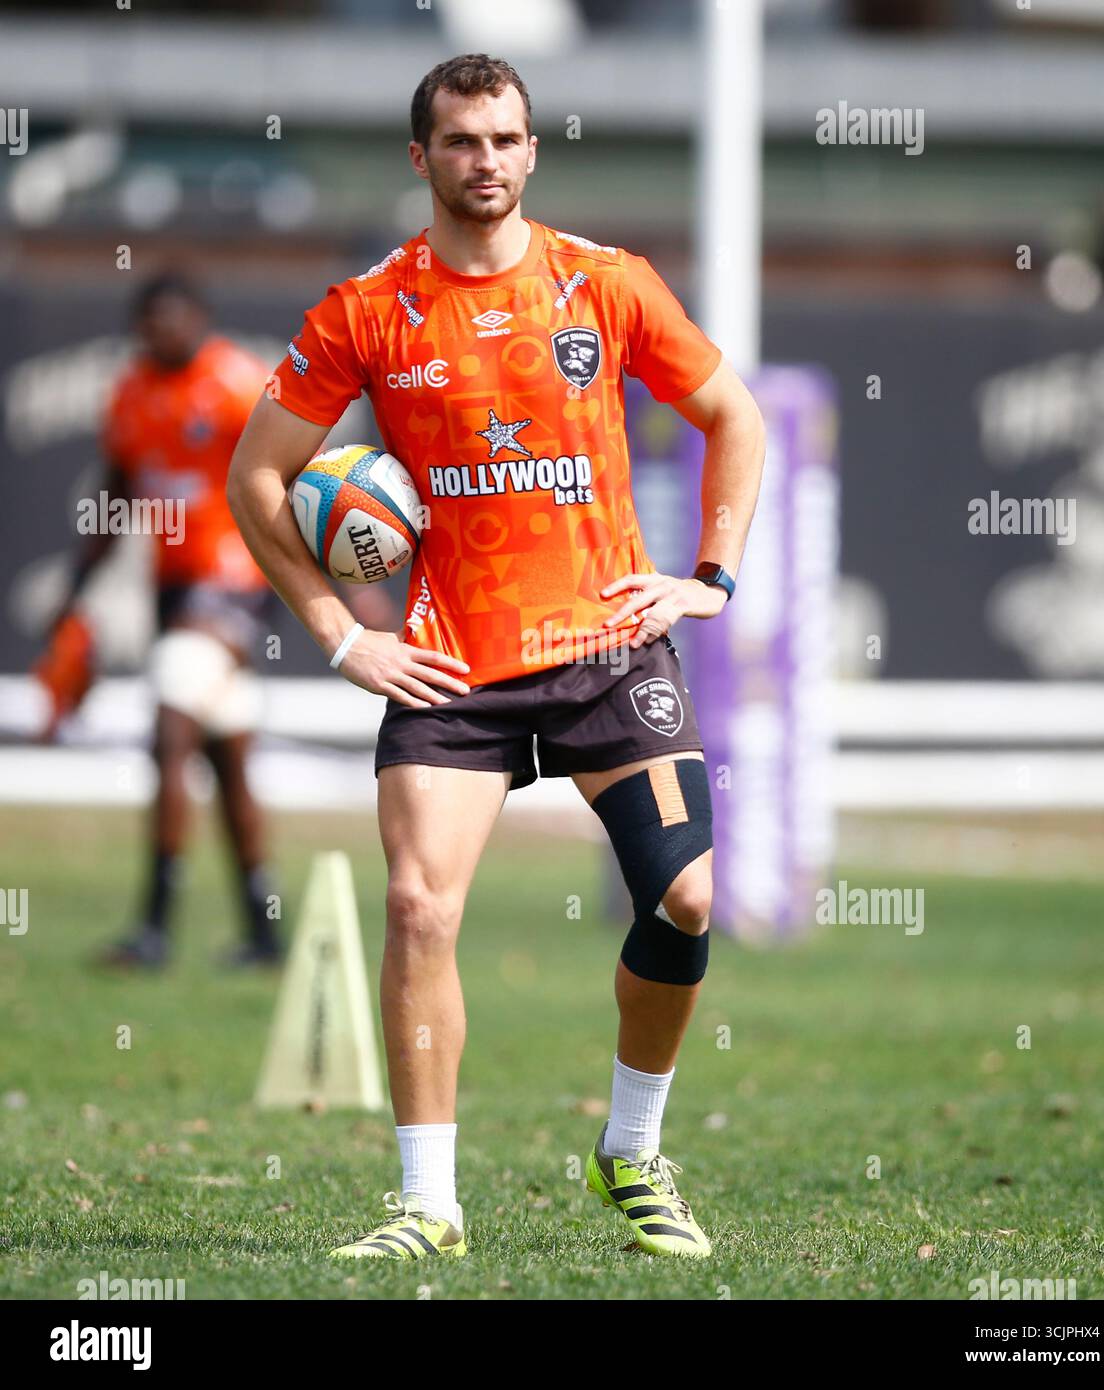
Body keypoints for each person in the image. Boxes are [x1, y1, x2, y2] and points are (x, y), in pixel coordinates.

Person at [228, 53, 765, 1258]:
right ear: (420, 158)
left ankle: (629, 1151)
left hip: (606, 645)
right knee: (420, 906)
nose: (488, 161)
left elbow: (734, 415)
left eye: (507, 139)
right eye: (463, 141)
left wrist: (709, 576)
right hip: (449, 667)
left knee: (684, 896)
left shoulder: (604, 284)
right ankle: (428, 1205)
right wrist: (334, 632)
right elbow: (256, 475)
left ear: (533, 150)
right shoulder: (367, 309)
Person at [51, 273, 282, 970]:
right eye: (150, 320)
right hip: (174, 589)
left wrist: (308, 585)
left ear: (201, 319)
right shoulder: (130, 395)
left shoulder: (239, 384)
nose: (162, 331)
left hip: (233, 584)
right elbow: (116, 491)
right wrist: (75, 596)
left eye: (174, 318)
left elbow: (290, 477)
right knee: (227, 761)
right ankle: (266, 932)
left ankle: (153, 927)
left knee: (168, 733)